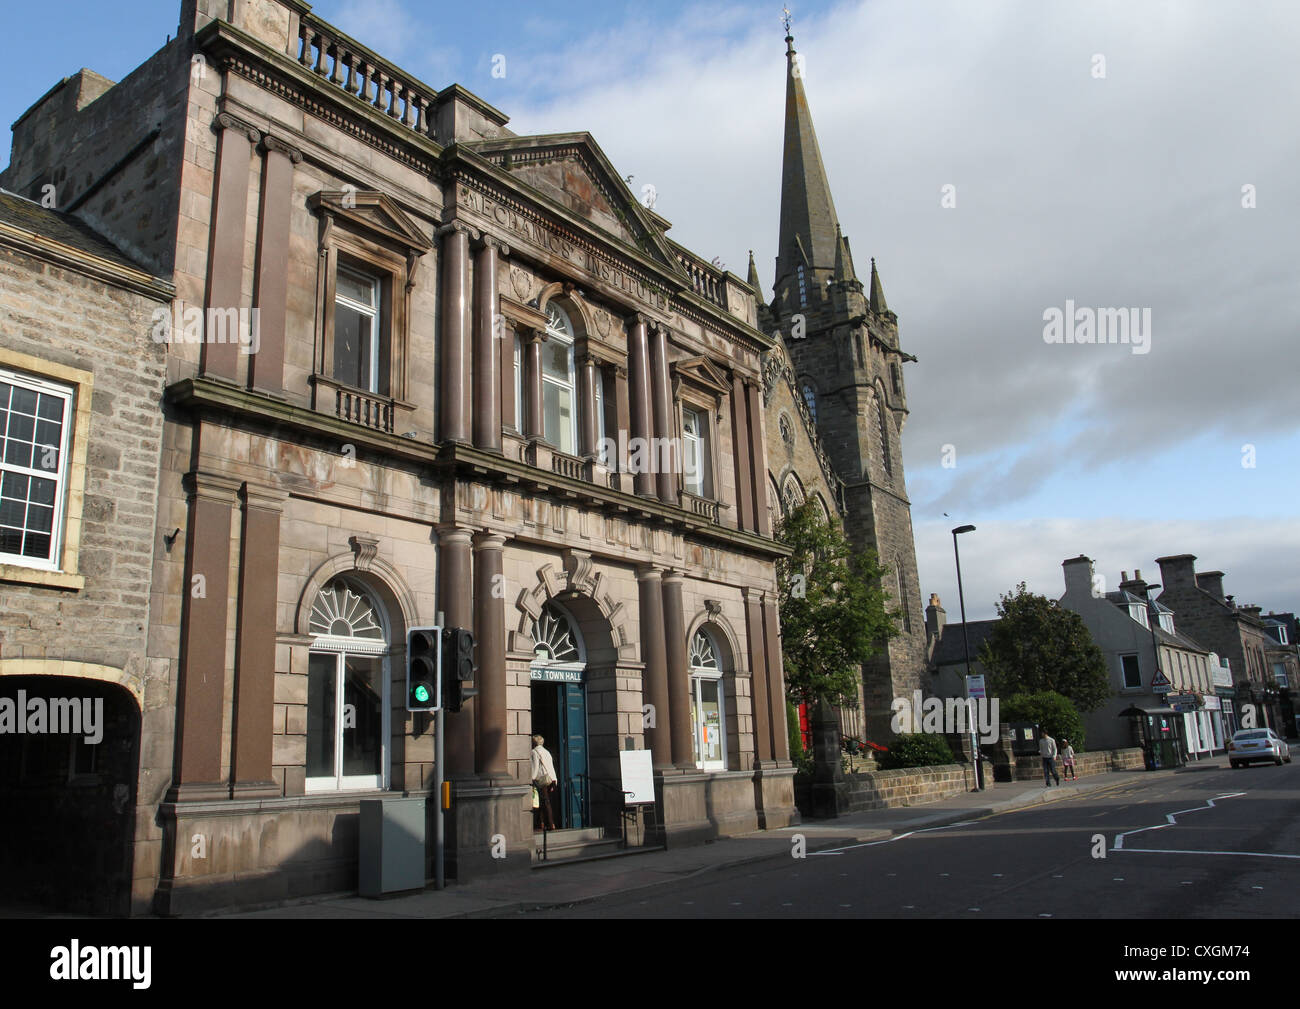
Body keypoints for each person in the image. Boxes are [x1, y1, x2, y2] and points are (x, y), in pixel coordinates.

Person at [531, 734, 559, 831]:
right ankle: (544, 823)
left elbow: (535, 767)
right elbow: (550, 766)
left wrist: (532, 778)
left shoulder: (534, 752)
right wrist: (555, 779)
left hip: (541, 780)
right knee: (546, 802)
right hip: (550, 779)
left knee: (543, 802)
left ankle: (550, 824)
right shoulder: (547, 752)